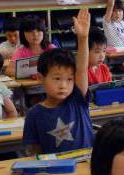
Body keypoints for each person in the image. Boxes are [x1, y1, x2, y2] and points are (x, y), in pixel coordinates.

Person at [22, 8, 93, 155]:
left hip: (87, 169)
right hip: (55, 173)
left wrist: (83, 38)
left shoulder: (76, 100)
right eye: (57, 78)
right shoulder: (34, 114)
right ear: (41, 78)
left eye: (69, 79)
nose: (63, 85)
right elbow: (34, 152)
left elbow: (81, 69)